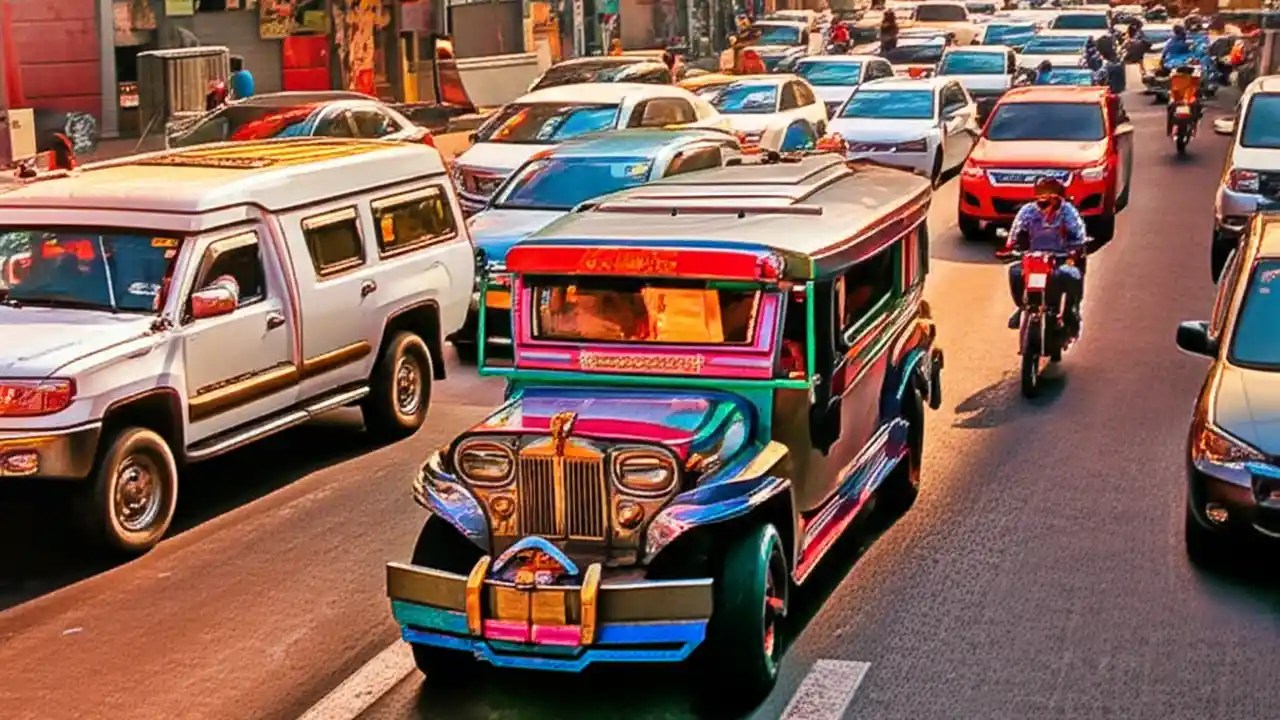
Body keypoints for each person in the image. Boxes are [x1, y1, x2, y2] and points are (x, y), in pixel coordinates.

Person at [997, 177, 1087, 334]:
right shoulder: (1028, 211)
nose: (1044, 204)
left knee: (1072, 275)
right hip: (1034, 259)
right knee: (1016, 273)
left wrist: (1074, 251)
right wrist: (1011, 246)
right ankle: (1022, 306)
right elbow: (1015, 234)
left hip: (1060, 259)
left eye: (1049, 199)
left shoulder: (1069, 213)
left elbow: (1079, 237)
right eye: (1041, 199)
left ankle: (1072, 310)